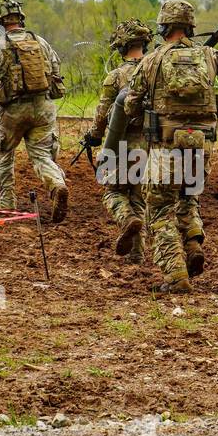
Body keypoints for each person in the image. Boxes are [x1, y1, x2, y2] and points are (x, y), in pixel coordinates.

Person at [121, 0, 218, 293]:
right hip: (201, 149)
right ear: (191, 27)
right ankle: (193, 242)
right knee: (188, 198)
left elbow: (130, 105)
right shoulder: (210, 56)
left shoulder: (151, 60)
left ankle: (175, 276)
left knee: (158, 211)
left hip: (165, 149)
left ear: (163, 27)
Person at [0, 0, 68, 220]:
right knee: (41, 156)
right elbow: (55, 71)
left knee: (3, 154)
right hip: (43, 108)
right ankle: (57, 184)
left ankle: (7, 203)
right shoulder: (41, 42)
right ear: (20, 19)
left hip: (13, 111)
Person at [85, 19, 153, 263]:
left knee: (112, 192)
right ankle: (137, 253)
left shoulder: (115, 77)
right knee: (138, 198)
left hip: (120, 144)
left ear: (121, 47)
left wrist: (93, 136)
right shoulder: (156, 71)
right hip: (149, 146)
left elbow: (102, 114)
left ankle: (126, 220)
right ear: (145, 43)